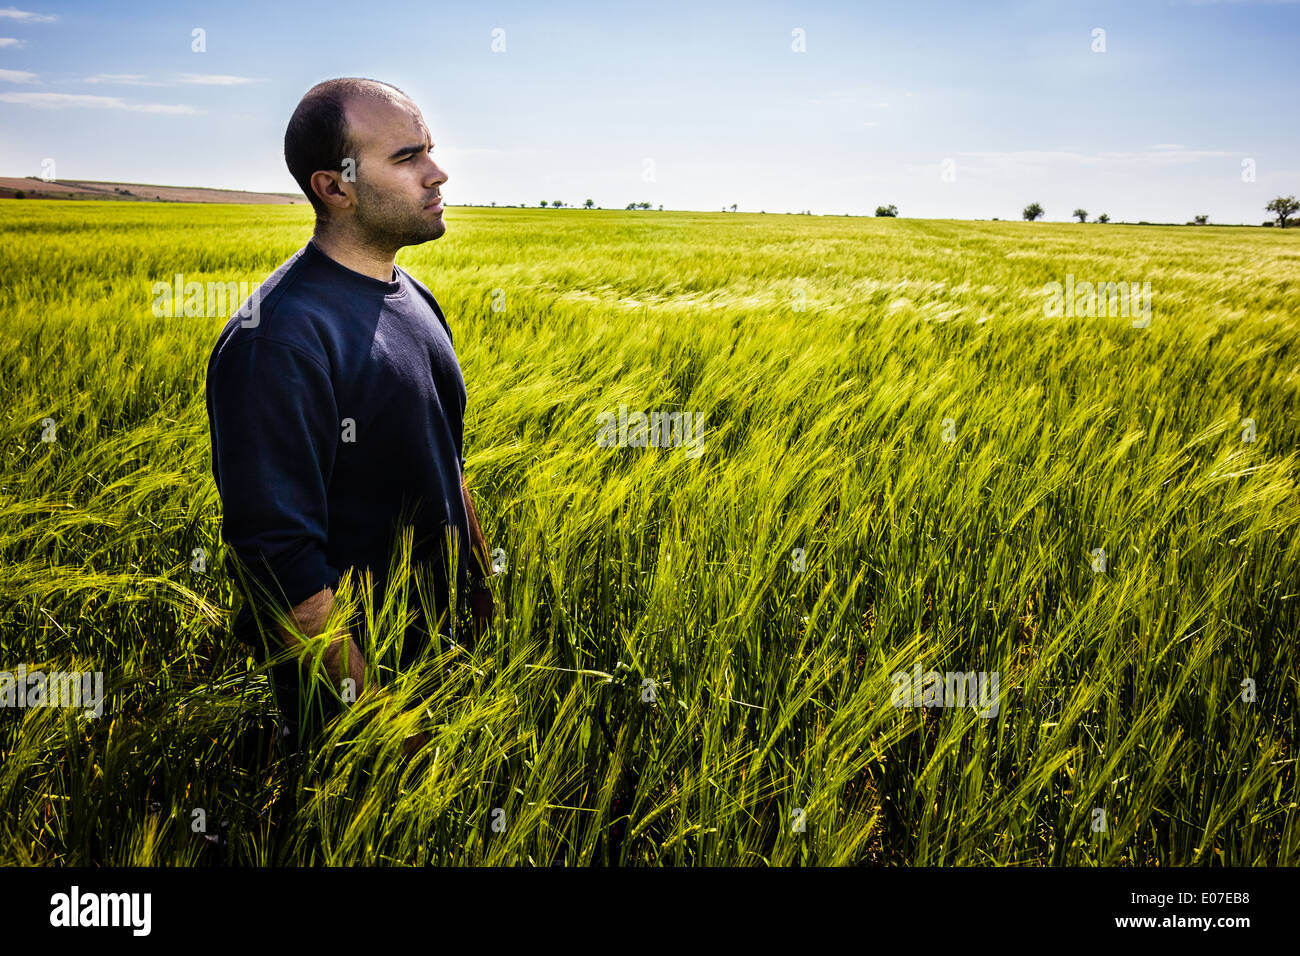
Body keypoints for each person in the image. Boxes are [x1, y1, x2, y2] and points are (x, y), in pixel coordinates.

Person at [205, 77, 493, 762]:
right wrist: (386, 731)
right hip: (356, 722)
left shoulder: (411, 294)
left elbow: (446, 465)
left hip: (442, 678)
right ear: (335, 187)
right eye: (406, 157)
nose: (437, 172)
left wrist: (484, 608)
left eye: (430, 150)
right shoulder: (278, 338)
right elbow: (281, 571)